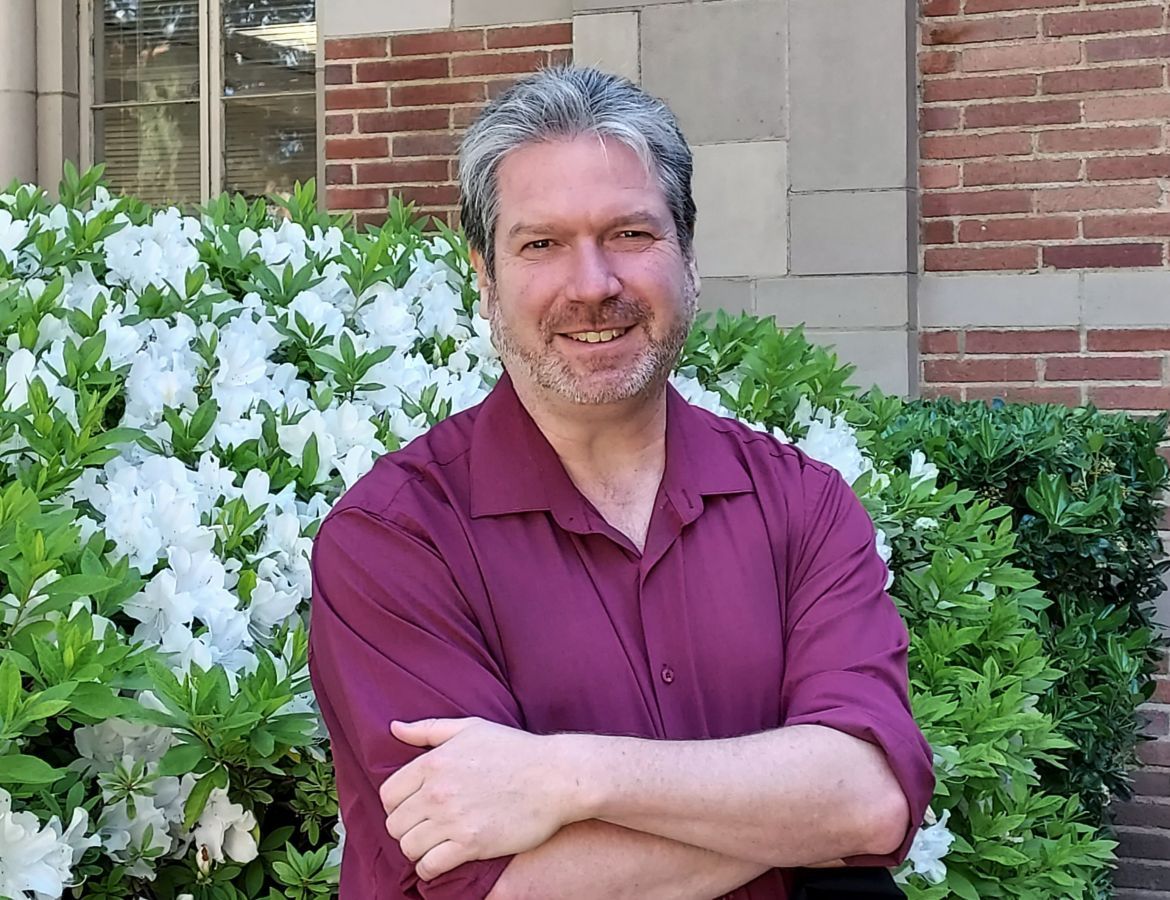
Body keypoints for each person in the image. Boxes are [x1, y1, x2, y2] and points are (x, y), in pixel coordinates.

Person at [308, 66, 934, 900]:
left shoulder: (802, 504)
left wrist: (570, 775)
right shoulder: (393, 538)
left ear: (689, 257)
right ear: (485, 279)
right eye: (541, 244)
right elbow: (490, 886)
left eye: (631, 234)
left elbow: (870, 803)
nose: (593, 284)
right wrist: (790, 815)